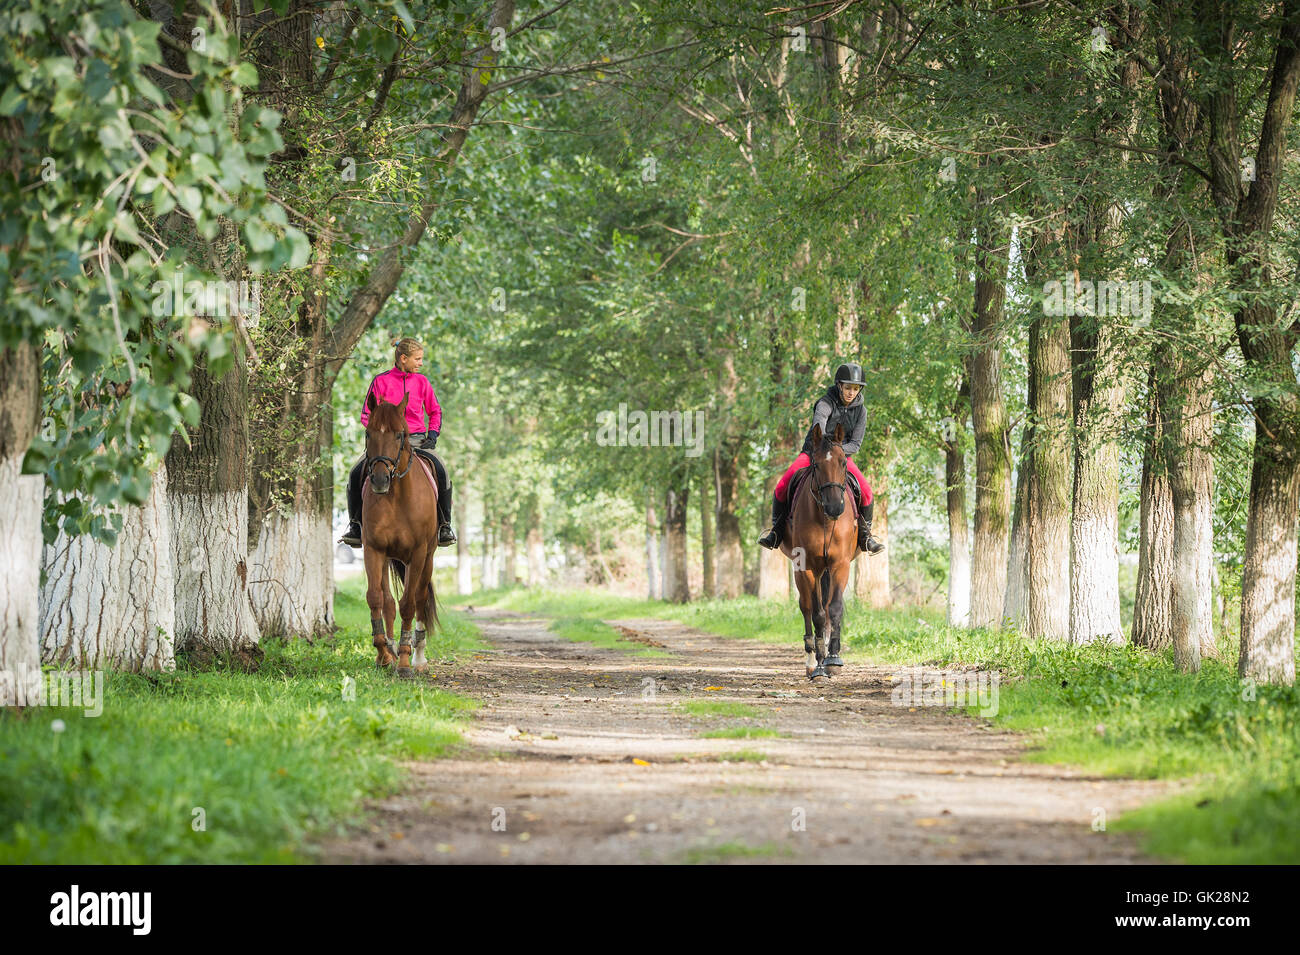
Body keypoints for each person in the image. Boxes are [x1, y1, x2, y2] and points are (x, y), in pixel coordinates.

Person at [339, 337, 457, 548]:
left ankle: (445, 525)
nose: (420, 363)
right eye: (417, 359)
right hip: (385, 443)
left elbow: (434, 410)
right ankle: (355, 525)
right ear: (404, 358)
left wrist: (432, 434)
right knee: (355, 472)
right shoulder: (380, 381)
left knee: (442, 471)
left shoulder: (422, 382)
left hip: (417, 441)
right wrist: (380, 432)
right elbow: (367, 413)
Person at [758, 362, 884, 554]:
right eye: (848, 387)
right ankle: (776, 532)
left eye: (856, 388)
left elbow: (856, 444)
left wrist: (837, 454)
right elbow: (820, 431)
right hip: (813, 453)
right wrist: (827, 452)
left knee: (866, 491)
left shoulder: (861, 411)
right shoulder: (825, 403)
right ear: (839, 385)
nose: (851, 392)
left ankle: (866, 537)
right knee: (782, 486)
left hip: (841, 458)